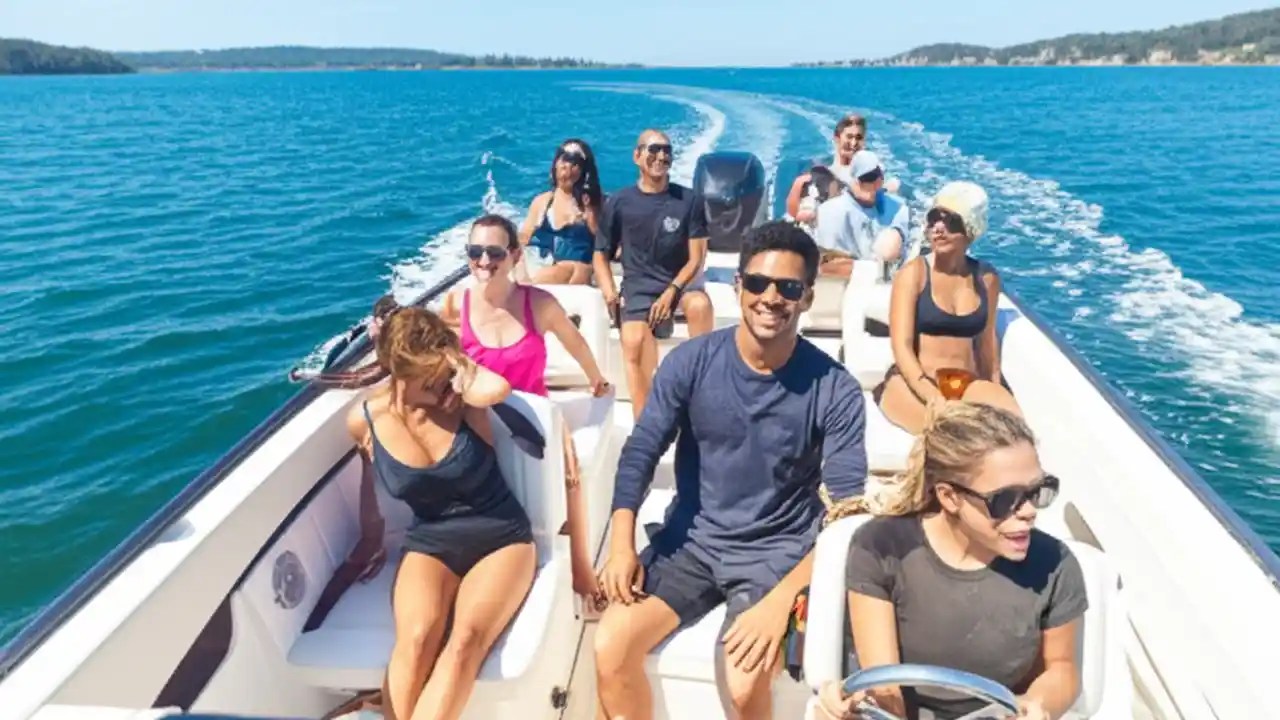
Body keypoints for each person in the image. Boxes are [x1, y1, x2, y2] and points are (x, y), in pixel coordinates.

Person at [593, 221, 868, 720]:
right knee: (610, 645)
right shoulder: (691, 362)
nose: (771, 298)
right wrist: (620, 545)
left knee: (743, 685)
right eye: (758, 283)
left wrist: (783, 599)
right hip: (691, 543)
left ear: (808, 297)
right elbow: (641, 451)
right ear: (738, 286)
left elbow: (846, 513)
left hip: (778, 553)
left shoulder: (836, 389)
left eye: (789, 288)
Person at [815, 402, 1086, 720]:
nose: (1028, 511)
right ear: (949, 497)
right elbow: (885, 687)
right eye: (1005, 499)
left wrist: (1037, 705)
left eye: (1037, 491)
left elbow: (1062, 669)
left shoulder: (1056, 565)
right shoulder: (882, 548)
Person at [345, 307, 535, 720]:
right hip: (430, 541)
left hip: (501, 536)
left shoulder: (464, 398)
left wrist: (458, 365)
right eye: (426, 374)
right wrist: (370, 538)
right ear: (398, 371)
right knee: (415, 640)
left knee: (464, 642)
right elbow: (369, 482)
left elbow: (499, 387)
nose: (438, 381)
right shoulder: (365, 420)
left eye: (440, 369)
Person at [441, 214, 611, 602]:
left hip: (535, 416)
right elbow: (427, 341)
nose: (484, 261)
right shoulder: (455, 304)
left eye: (494, 252)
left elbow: (574, 341)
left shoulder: (539, 304)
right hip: (480, 419)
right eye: (475, 252)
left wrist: (596, 379)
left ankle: (581, 567)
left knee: (570, 473)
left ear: (515, 256)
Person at [875, 181, 1021, 434]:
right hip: (914, 384)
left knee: (1015, 430)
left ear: (971, 230)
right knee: (953, 434)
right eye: (933, 219)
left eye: (951, 222)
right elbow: (902, 348)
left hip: (966, 384)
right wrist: (933, 396)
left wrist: (995, 389)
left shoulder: (987, 278)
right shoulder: (913, 275)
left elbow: (986, 345)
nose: (938, 229)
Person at [594, 129, 715, 420]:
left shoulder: (689, 201)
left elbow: (697, 259)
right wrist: (609, 293)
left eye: (666, 151)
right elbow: (600, 254)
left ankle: (702, 388)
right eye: (653, 149)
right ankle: (645, 424)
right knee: (634, 341)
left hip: (680, 284)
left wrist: (672, 291)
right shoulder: (619, 202)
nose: (661, 156)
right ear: (637, 156)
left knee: (700, 306)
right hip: (639, 288)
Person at [518, 139, 603, 285]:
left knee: (571, 269)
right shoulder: (542, 202)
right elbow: (523, 239)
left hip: (579, 271)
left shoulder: (595, 204)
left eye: (575, 162)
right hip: (543, 267)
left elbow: (605, 242)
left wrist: (590, 211)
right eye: (564, 158)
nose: (567, 166)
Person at [813, 150, 910, 278]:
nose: (874, 184)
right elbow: (827, 266)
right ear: (854, 181)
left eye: (876, 176)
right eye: (866, 178)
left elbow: (893, 250)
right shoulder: (828, 212)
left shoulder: (898, 207)